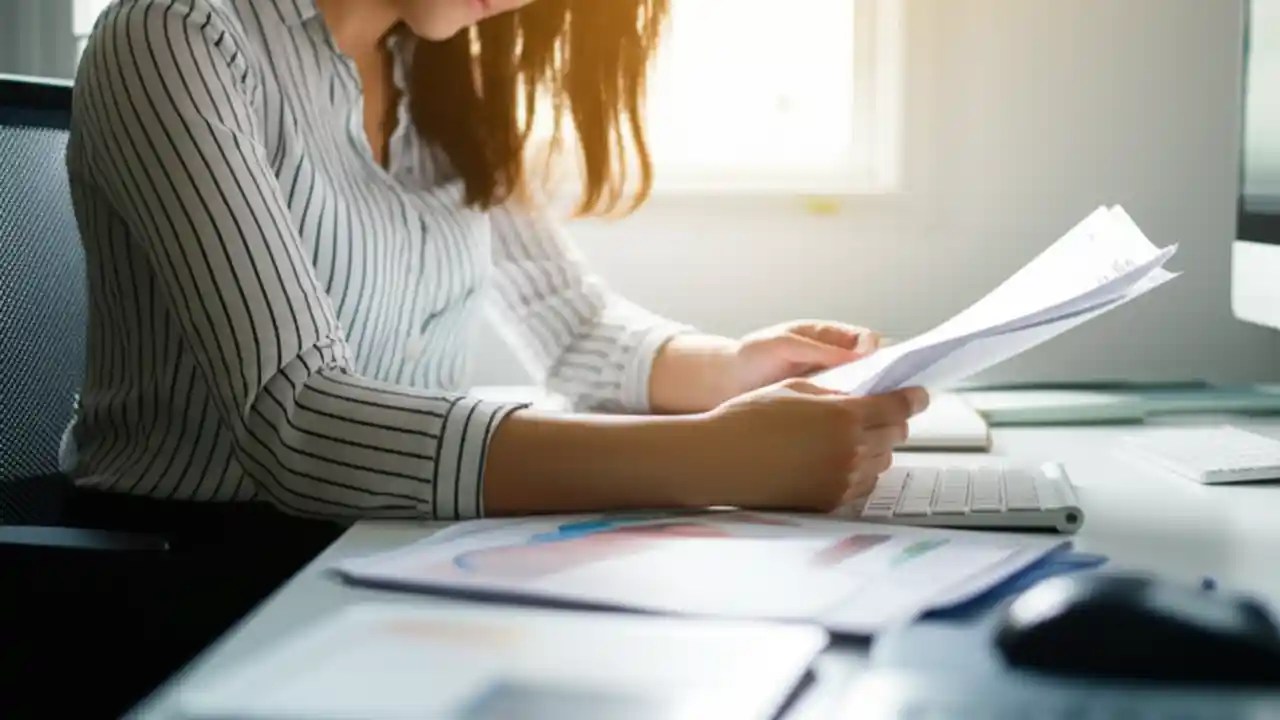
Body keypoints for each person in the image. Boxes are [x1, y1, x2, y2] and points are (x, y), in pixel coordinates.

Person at [57, 0, 927, 709]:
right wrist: (720, 458)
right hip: (210, 587)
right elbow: (299, 421)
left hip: (400, 549)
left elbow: (575, 327)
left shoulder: (438, 66)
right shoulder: (178, 35)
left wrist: (737, 369)